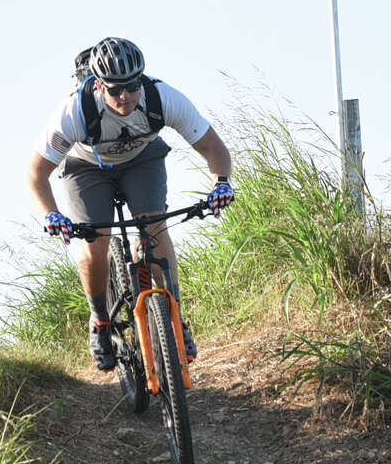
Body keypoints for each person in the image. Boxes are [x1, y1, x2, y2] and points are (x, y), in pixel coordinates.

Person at [25, 37, 234, 371]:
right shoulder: (73, 112)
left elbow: (214, 148)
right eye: (115, 89)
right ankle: (100, 323)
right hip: (87, 167)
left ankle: (175, 319)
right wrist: (51, 213)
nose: (124, 96)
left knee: (153, 227)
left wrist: (221, 183)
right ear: (97, 85)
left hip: (142, 160)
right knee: (95, 242)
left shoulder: (162, 98)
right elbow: (36, 173)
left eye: (132, 86)